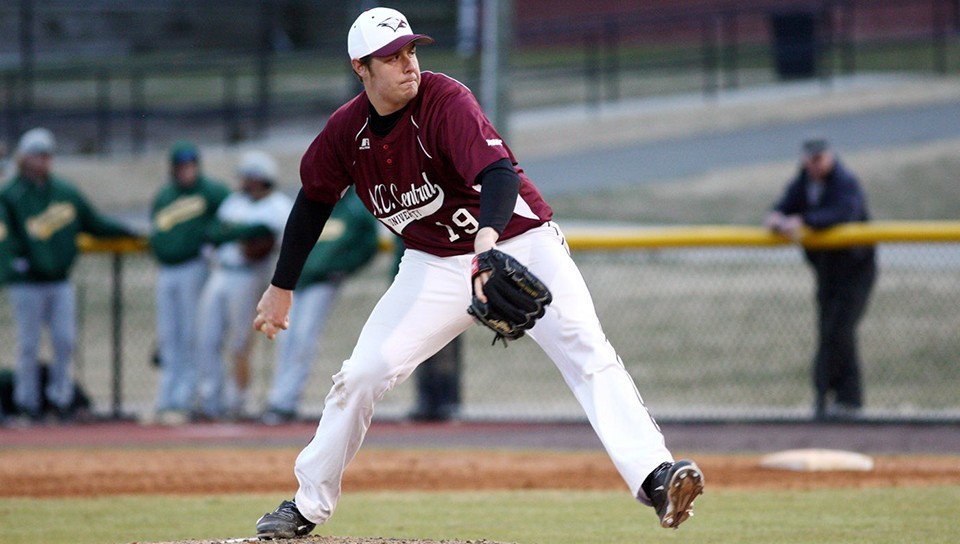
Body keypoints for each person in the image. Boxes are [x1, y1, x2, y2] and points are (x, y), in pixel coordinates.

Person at [251, 8, 704, 538]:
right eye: (391, 57)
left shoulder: (445, 100)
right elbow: (312, 201)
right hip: (433, 264)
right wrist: (282, 287)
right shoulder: (346, 132)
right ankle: (307, 505)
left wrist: (488, 245)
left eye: (410, 51)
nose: (407, 64)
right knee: (361, 375)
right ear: (361, 68)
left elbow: (497, 174)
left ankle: (656, 477)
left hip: (519, 243)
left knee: (586, 348)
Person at [0, 127, 138, 423]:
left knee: (64, 341)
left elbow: (93, 221)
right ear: (24, 158)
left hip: (60, 280)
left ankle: (60, 400)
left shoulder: (63, 192)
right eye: (37, 155)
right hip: (26, 284)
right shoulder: (10, 195)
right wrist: (13, 265)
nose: (43, 161)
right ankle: (28, 404)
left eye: (47, 156)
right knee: (28, 344)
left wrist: (129, 232)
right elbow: (5, 238)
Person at [764, 138, 877, 420]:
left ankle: (840, 397)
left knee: (839, 330)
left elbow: (843, 213)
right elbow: (784, 205)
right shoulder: (803, 182)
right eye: (810, 160)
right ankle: (837, 400)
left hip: (855, 270)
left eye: (819, 159)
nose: (814, 165)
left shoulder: (845, 182)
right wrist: (777, 217)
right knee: (830, 329)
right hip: (827, 270)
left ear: (829, 157)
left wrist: (805, 221)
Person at [260, 186, 380, 425]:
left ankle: (286, 402)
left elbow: (369, 244)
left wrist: (343, 265)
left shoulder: (356, 205)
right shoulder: (318, 194)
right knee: (286, 337)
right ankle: (278, 397)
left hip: (323, 281)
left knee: (303, 337)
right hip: (298, 280)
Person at [195, 150, 293, 420]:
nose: (243, 182)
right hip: (221, 271)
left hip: (250, 275)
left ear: (260, 179)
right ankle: (210, 400)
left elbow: (263, 236)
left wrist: (236, 232)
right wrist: (240, 232)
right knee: (208, 337)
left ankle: (238, 401)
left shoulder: (278, 206)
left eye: (248, 178)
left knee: (240, 341)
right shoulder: (235, 202)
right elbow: (214, 231)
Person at [146, 141, 231, 425]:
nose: (187, 171)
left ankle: (184, 398)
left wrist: (211, 238)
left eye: (191, 165)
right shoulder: (165, 196)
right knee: (169, 335)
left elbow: (230, 217)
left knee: (191, 333)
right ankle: (166, 398)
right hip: (166, 270)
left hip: (194, 268)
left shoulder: (211, 191)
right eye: (182, 166)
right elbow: (156, 230)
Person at [390, 239, 463, 422]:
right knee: (417, 347)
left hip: (444, 283)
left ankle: (448, 403)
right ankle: (426, 402)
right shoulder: (404, 225)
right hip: (412, 286)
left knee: (445, 349)